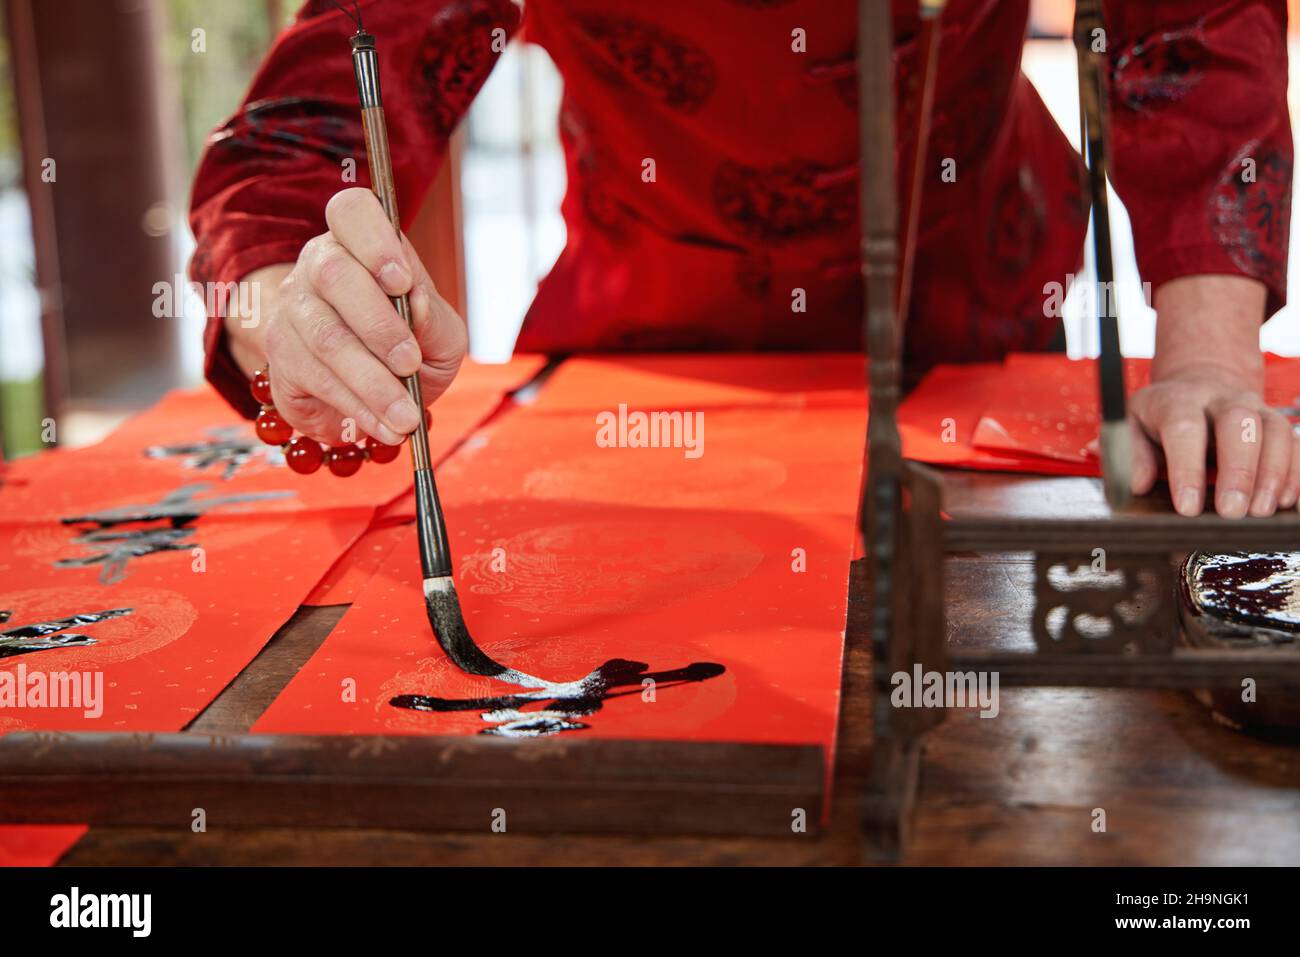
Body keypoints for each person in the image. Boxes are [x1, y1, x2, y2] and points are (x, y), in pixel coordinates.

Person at [190, 0, 1295, 517]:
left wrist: (1207, 363)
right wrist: (290, 296)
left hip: (969, 307)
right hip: (653, 339)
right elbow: (304, 129)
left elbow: (1187, 27)